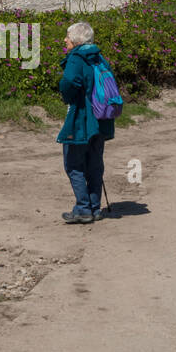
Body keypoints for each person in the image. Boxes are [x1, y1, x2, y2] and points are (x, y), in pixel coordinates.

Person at [57, 21, 115, 223]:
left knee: (73, 164)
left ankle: (83, 208)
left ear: (76, 40)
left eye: (67, 37)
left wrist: (66, 96)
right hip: (101, 119)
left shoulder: (76, 57)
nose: (65, 40)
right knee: (94, 164)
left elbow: (69, 82)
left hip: (81, 118)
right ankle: (94, 207)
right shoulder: (99, 57)